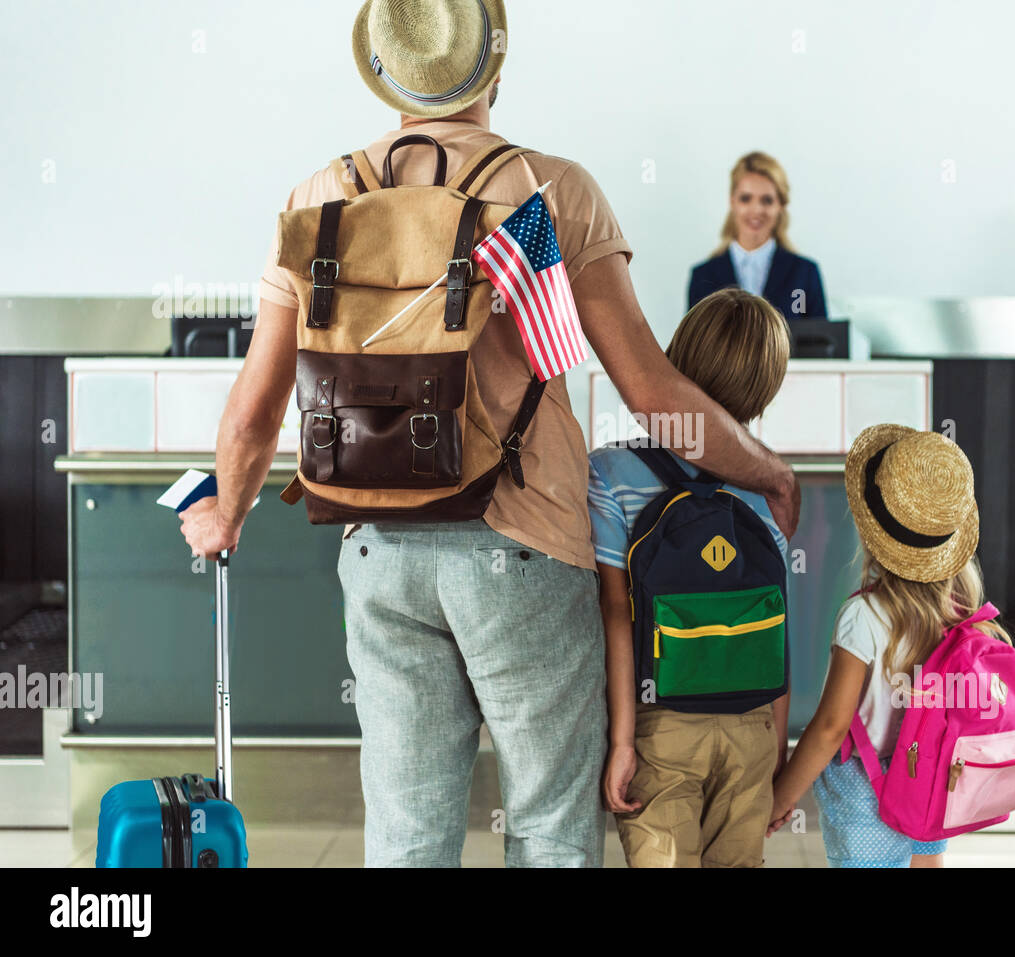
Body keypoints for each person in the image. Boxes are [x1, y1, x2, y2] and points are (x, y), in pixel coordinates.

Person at [178, 0, 800, 868]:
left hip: (377, 551)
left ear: (387, 77)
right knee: (547, 825)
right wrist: (767, 468)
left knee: (407, 832)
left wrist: (227, 513)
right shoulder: (551, 190)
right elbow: (658, 398)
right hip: (524, 543)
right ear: (495, 70)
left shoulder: (320, 197)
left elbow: (256, 404)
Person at [589, 287, 791, 867]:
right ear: (766, 389)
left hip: (662, 722)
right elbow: (777, 616)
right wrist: (775, 741)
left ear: (674, 362)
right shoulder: (766, 486)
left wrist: (624, 741)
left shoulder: (610, 472)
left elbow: (617, 616)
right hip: (751, 725)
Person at [767, 424, 1010, 867]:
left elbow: (830, 727)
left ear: (871, 531)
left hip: (868, 789)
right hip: (933, 777)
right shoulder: (959, 614)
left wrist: (781, 797)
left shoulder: (864, 616)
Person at [687, 151, 828, 322]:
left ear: (781, 206)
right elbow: (693, 345)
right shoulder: (703, 276)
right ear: (732, 202)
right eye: (746, 199)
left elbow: (819, 344)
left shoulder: (804, 274)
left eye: (767, 200)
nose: (756, 210)